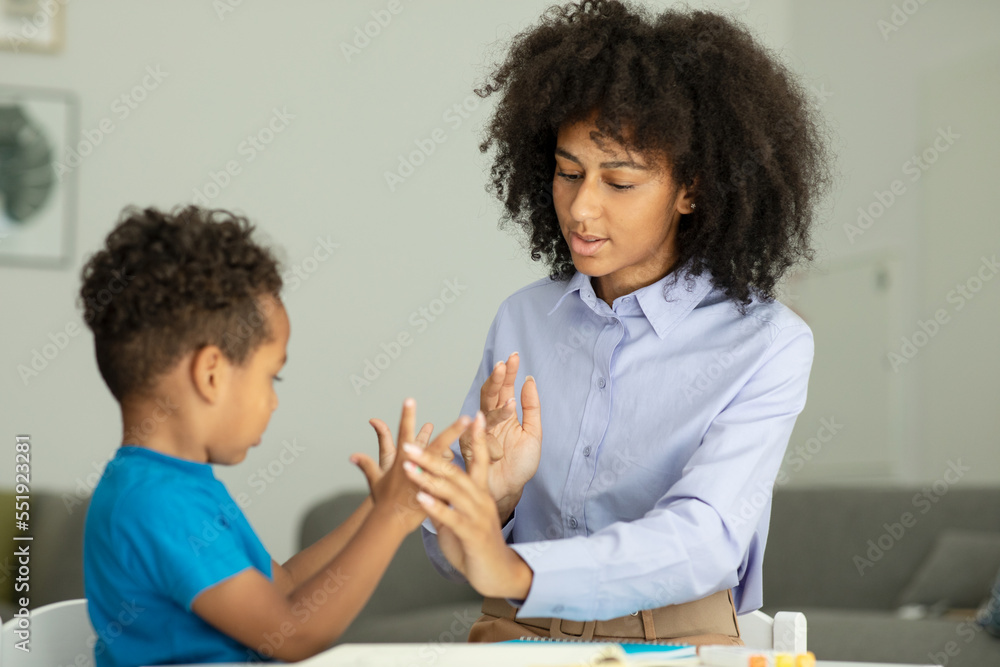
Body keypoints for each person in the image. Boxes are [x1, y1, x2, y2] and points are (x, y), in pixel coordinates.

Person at [411, 0, 830, 646]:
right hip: (513, 634)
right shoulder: (523, 318)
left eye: (620, 181)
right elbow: (449, 554)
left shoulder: (768, 343)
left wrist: (518, 567)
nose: (581, 207)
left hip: (682, 644)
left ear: (690, 188)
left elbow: (705, 540)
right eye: (568, 172)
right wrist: (492, 500)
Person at [79, 205, 482, 666]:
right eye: (273, 377)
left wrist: (377, 505)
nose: (273, 402)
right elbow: (289, 634)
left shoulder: (174, 488)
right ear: (211, 374)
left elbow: (285, 588)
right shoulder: (160, 504)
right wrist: (391, 518)